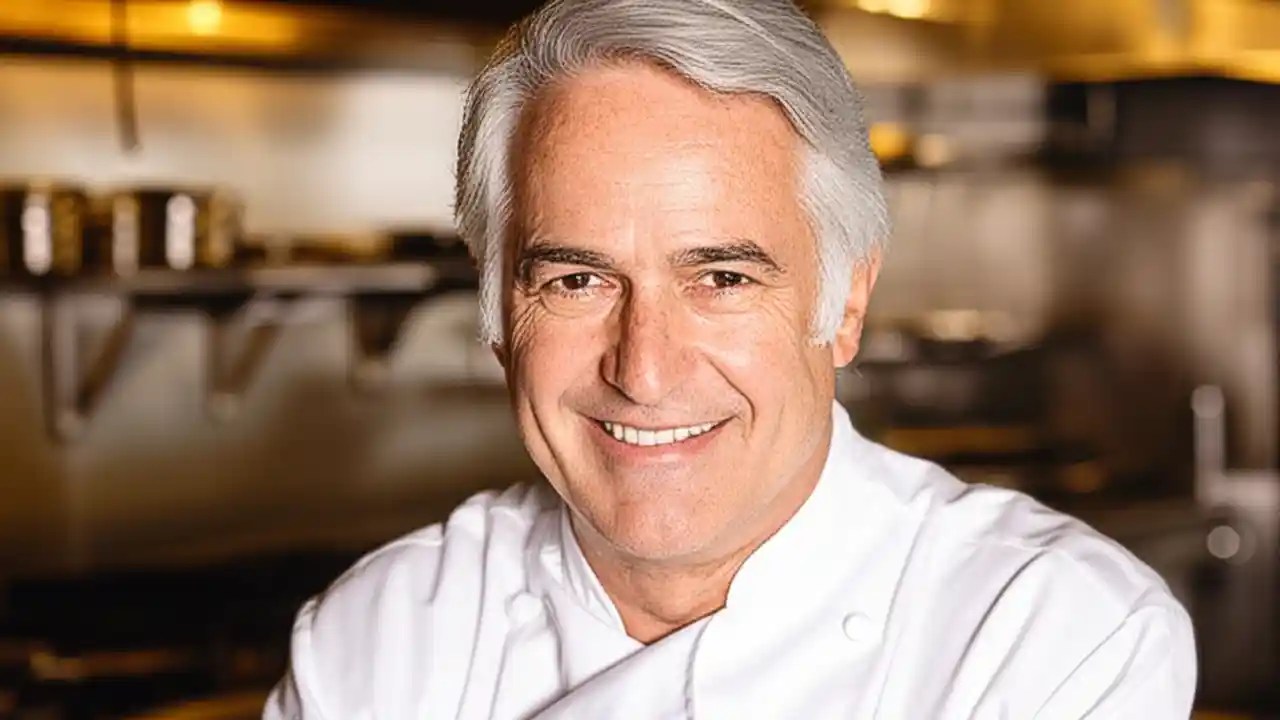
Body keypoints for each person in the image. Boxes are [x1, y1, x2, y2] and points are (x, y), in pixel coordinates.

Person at [265, 0, 1197, 717]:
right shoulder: (380, 641)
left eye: (720, 278)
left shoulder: (1048, 635)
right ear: (499, 315)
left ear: (846, 303)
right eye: (578, 281)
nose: (645, 369)